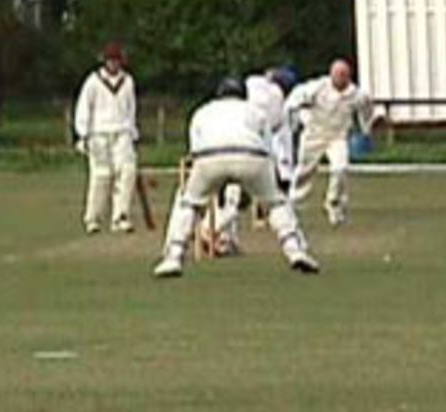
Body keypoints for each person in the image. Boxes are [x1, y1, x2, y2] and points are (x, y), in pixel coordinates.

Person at [154, 77, 319, 279]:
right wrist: (266, 181)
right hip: (252, 155)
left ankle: (173, 256)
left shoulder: (203, 111)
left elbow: (194, 149)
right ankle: (295, 251)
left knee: (189, 203)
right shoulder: (255, 111)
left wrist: (215, 182)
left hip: (209, 157)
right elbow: (267, 147)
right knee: (276, 203)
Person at [212, 66, 297, 254]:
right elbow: (273, 127)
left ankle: (225, 238)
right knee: (238, 198)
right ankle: (213, 231)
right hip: (250, 149)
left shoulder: (251, 81)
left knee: (227, 194)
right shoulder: (277, 96)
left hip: (221, 142)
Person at [286, 59, 374, 226]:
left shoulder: (357, 95)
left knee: (340, 168)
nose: (340, 78)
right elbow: (295, 99)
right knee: (304, 170)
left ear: (349, 76)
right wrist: (295, 118)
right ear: (331, 74)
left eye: (344, 75)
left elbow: (367, 110)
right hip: (314, 135)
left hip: (337, 137)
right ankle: (293, 202)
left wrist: (365, 128)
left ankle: (334, 203)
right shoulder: (318, 87)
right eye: (337, 75)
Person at [72, 42, 139, 234]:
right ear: (105, 61)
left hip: (122, 132)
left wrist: (132, 132)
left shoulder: (127, 81)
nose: (113, 64)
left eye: (116, 60)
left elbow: (131, 109)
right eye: (110, 60)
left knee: (127, 172)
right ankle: (93, 218)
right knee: (101, 175)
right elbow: (84, 107)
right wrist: (83, 134)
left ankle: (121, 216)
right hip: (98, 133)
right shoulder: (93, 81)